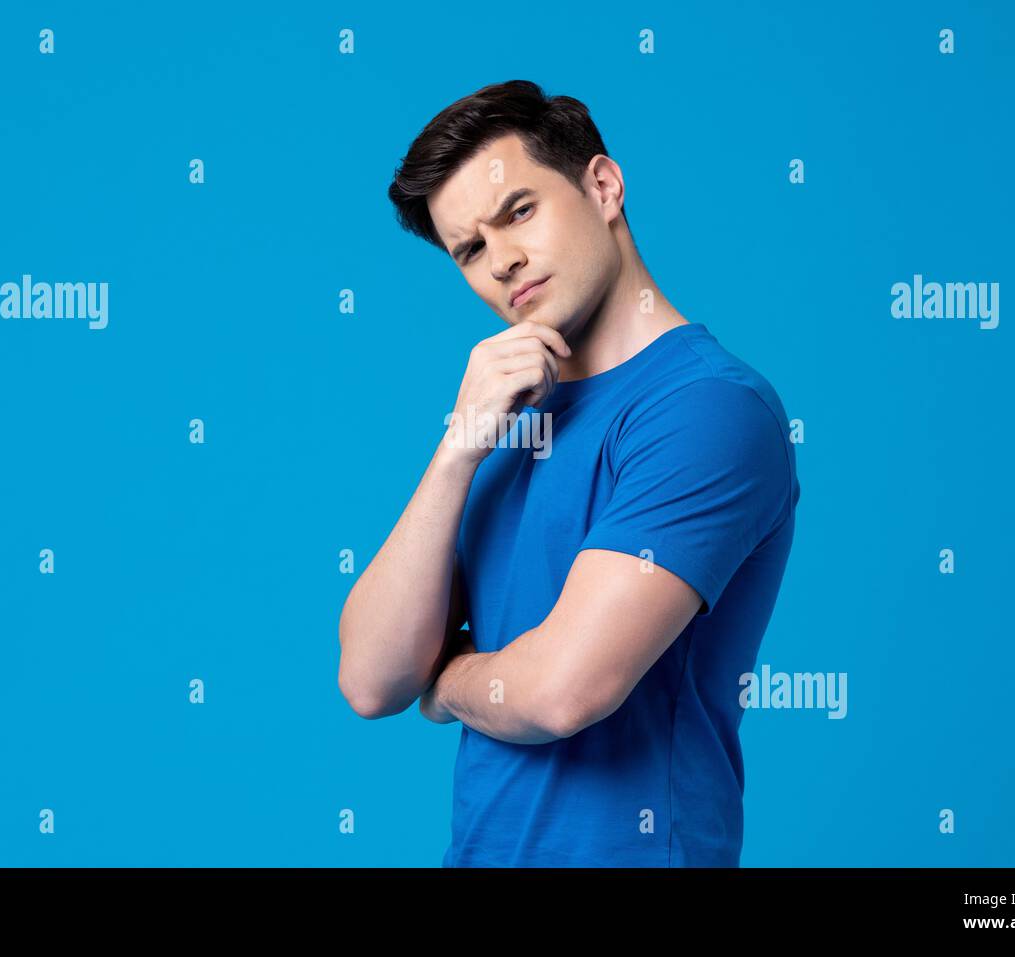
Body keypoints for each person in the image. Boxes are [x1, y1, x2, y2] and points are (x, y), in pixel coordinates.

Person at [338, 79, 801, 866]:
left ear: (603, 186)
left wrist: (447, 682)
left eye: (519, 211)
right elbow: (372, 679)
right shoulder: (503, 418)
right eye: (470, 250)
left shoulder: (706, 407)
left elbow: (564, 690)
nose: (503, 260)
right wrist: (458, 448)